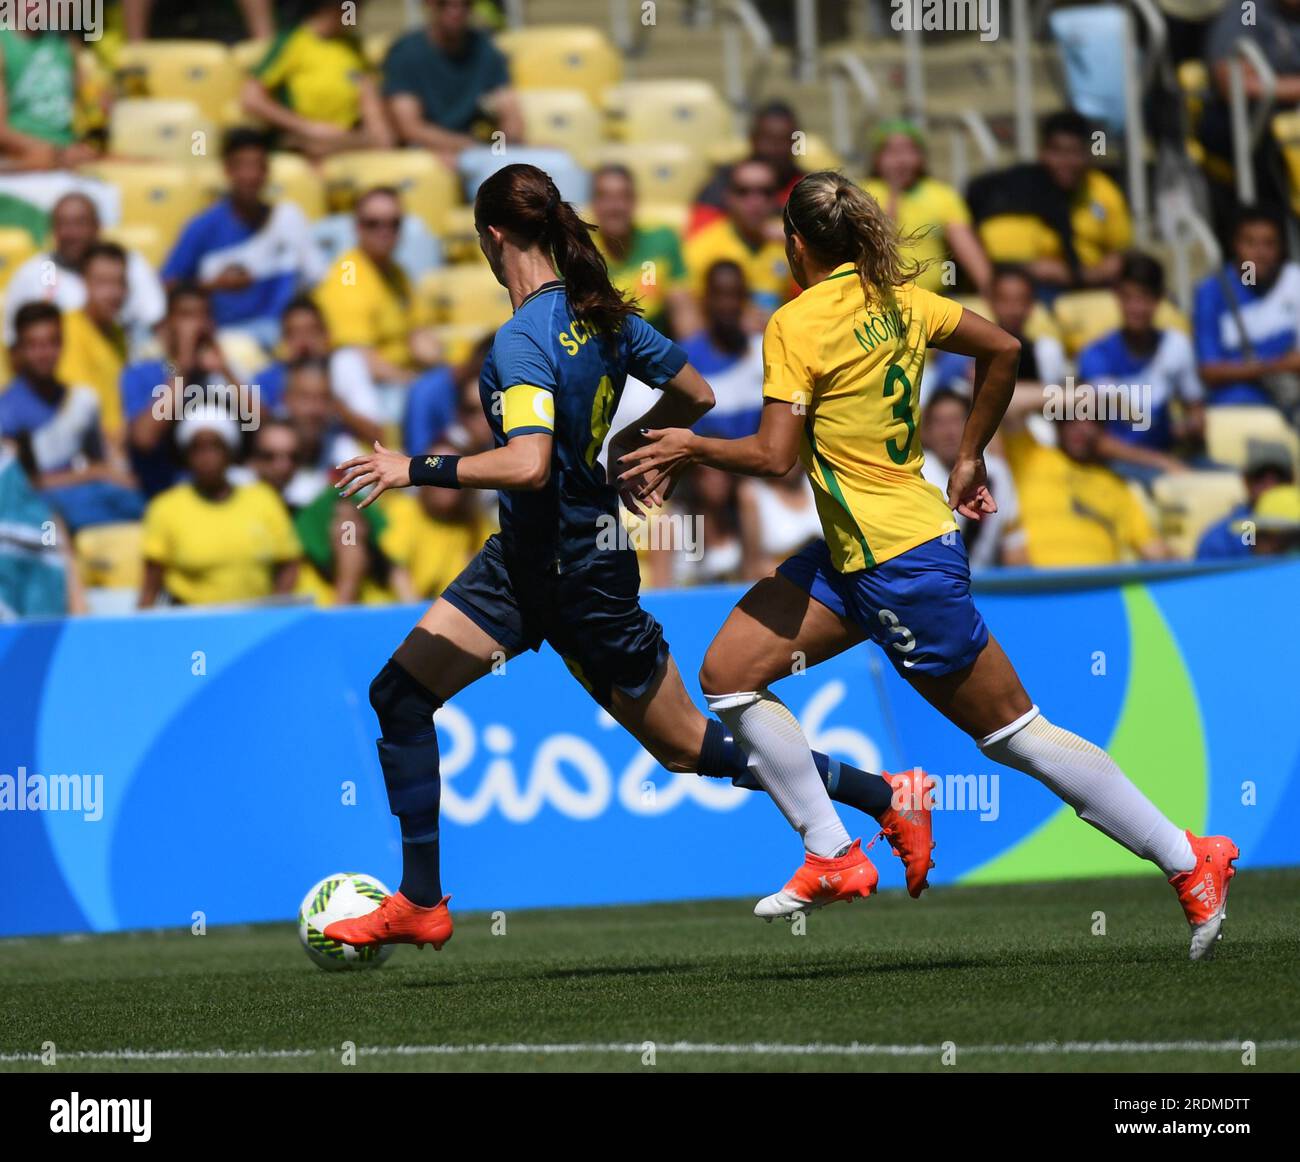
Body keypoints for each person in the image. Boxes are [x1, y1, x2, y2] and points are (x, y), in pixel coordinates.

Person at [620, 171, 1236, 959]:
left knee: (1017, 735)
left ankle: (1189, 859)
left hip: (901, 564)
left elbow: (775, 457)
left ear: (797, 241)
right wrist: (969, 455)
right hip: (858, 553)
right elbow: (1003, 348)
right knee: (731, 672)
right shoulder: (899, 300)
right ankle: (833, 851)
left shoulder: (796, 323)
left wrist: (688, 442)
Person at [321, 163, 934, 954]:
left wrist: (416, 468)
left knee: (686, 746)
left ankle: (884, 796)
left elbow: (528, 464)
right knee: (400, 695)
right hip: (521, 566)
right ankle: (420, 901)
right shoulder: (601, 314)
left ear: (494, 236)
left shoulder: (523, 339)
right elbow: (698, 393)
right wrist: (634, 447)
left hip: (577, 576)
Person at [161, 128, 326, 347]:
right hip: (224, 337)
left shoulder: (289, 219)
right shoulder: (202, 227)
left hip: (282, 337)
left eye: (258, 166)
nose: (251, 176)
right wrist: (214, 285)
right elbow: (166, 287)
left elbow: (320, 278)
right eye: (243, 166)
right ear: (228, 171)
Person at [0, 302, 142, 534]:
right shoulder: (6, 411)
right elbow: (20, 486)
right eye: (33, 345)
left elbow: (100, 459)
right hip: (32, 515)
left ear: (62, 343)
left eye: (51, 343)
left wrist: (106, 472)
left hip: (82, 504)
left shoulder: (82, 400)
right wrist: (92, 474)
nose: (43, 354)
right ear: (19, 350)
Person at [139, 411, 300, 608]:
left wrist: (275, 614)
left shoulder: (264, 500)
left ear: (230, 452)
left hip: (256, 625)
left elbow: (289, 563)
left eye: (215, 447)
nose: (207, 457)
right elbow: (151, 586)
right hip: (193, 627)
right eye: (198, 449)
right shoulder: (165, 508)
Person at [968, 111, 1132, 293]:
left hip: (1088, 288)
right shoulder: (1018, 188)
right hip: (1026, 289)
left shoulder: (1103, 192)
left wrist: (1086, 274)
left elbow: (1120, 252)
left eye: (1074, 152)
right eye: (1058, 152)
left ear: (1088, 154)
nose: (1066, 162)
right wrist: (1034, 270)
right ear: (1042, 153)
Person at [1077, 251, 1206, 478]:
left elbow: (1196, 411)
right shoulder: (1094, 356)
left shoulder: (1177, 345)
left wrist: (1188, 427)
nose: (1136, 308)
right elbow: (1095, 440)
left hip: (1168, 455)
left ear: (1158, 300)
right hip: (1117, 466)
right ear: (1117, 297)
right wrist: (1162, 462)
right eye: (1128, 297)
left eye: (1144, 298)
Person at [2, 192, 165, 350]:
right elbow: (14, 344)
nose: (71, 233)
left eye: (80, 223)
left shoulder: (128, 263)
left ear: (98, 226)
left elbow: (157, 330)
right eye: (63, 224)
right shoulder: (37, 272)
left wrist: (176, 375)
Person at [314, 187, 438, 385]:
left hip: (403, 375)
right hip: (373, 386)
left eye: (393, 223)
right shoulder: (347, 275)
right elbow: (359, 358)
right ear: (357, 227)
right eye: (373, 223)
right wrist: (414, 383)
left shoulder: (397, 272)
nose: (384, 231)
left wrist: (443, 371)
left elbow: (419, 333)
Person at [241, 0, 393, 160]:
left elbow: (370, 104)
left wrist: (375, 132)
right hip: (303, 141)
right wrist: (308, 127)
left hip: (347, 139)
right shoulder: (292, 40)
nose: (356, 13)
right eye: (352, 6)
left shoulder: (354, 47)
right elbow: (252, 99)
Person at [382, 0, 523, 168]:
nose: (456, 10)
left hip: (479, 151)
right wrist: (467, 147)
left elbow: (510, 113)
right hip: (427, 152)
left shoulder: (484, 48)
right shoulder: (405, 53)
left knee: (554, 162)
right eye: (445, 3)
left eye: (465, 3)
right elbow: (410, 128)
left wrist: (504, 149)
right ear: (430, 4)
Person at [864, 120, 991, 296]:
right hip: (879, 298)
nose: (901, 160)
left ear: (921, 157)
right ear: (877, 159)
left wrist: (990, 289)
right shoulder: (861, 193)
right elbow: (880, 240)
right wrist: (894, 191)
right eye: (892, 152)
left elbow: (966, 247)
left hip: (934, 299)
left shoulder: (942, 195)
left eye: (908, 151)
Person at [1192, 205, 1300, 409]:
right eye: (1250, 243)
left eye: (1269, 244)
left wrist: (1240, 369)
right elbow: (1210, 371)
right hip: (1236, 407)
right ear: (1235, 245)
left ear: (1281, 247)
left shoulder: (1294, 281)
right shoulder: (1212, 291)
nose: (1260, 253)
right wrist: (1276, 365)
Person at [920, 387, 1027, 569]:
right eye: (940, 423)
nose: (949, 432)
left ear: (971, 426)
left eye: (956, 420)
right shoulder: (917, 474)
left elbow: (1014, 550)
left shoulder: (996, 473)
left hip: (984, 589)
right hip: (932, 582)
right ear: (926, 432)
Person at [591, 164, 695, 338]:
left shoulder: (662, 240)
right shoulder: (577, 252)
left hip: (655, 355)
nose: (615, 207)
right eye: (605, 197)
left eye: (623, 196)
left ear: (634, 201)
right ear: (594, 204)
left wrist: (694, 359)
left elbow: (684, 310)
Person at [684, 159, 792, 323]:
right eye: (743, 191)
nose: (756, 201)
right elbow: (690, 318)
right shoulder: (701, 248)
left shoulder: (791, 240)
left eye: (766, 192)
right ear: (728, 197)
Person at [688, 101, 805, 237]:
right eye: (768, 139)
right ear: (752, 139)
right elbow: (699, 233)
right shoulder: (727, 181)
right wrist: (756, 231)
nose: (776, 149)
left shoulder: (807, 186)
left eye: (785, 141)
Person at [1196, 443, 1296, 560]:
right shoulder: (1222, 537)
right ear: (1246, 481)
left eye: (1280, 478)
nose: (1270, 486)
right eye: (1260, 477)